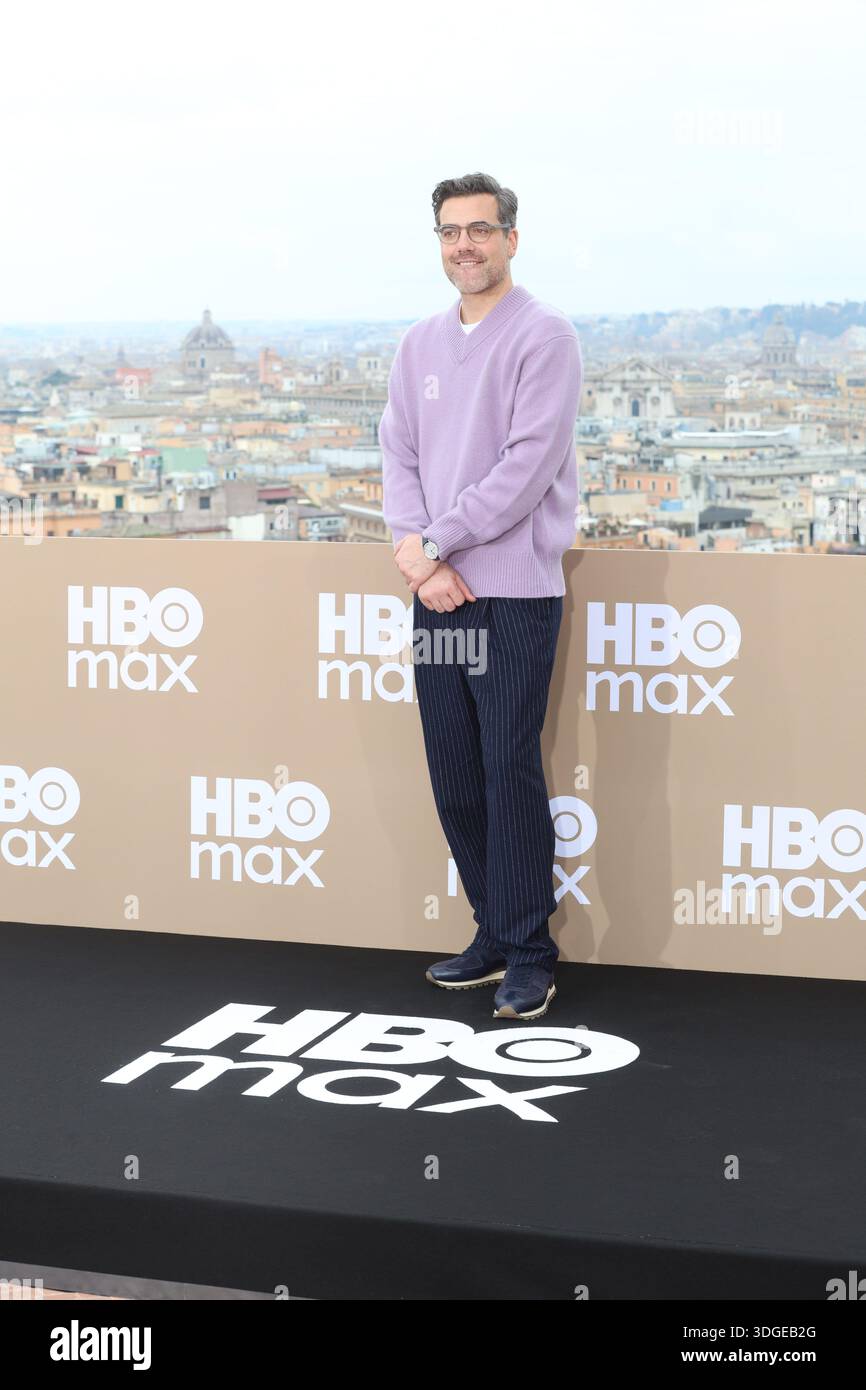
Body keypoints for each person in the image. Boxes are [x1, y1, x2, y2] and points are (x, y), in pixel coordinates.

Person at [379, 171, 583, 1020]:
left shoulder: (545, 337)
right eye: (449, 232)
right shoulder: (419, 343)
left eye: (480, 229)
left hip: (513, 595)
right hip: (439, 594)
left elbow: (526, 469)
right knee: (455, 771)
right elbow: (398, 454)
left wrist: (435, 542)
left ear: (510, 238)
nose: (464, 244)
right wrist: (422, 559)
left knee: (507, 769)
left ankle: (532, 949)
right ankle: (492, 932)